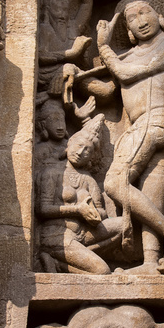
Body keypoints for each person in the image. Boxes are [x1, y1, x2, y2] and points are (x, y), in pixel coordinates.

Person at [96, 0, 164, 274]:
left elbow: (128, 73)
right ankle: (152, 261)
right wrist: (69, 78)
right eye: (132, 18)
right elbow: (106, 90)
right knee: (151, 189)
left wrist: (103, 47)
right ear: (128, 30)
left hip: (157, 119)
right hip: (147, 127)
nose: (140, 20)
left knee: (115, 183)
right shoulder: (128, 56)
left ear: (159, 16)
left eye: (145, 12)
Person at [36, 115, 122, 273]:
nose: (81, 152)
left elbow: (102, 212)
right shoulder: (52, 173)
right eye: (79, 145)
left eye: (87, 150)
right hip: (58, 235)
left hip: (84, 233)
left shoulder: (88, 180)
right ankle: (56, 262)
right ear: (69, 144)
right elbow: (43, 208)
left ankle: (68, 259)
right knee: (102, 271)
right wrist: (78, 210)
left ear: (91, 157)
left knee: (124, 225)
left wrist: (94, 214)